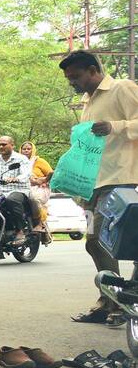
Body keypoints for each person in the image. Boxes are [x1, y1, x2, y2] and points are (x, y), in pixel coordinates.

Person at [59, 51, 138, 323]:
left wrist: (114, 127)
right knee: (93, 243)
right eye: (69, 79)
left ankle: (118, 304)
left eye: (76, 77)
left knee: (104, 241)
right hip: (93, 184)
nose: (73, 83)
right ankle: (111, 300)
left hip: (120, 181)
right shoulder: (86, 101)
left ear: (93, 70)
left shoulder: (122, 89)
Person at [19, 141, 52, 234]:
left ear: (33, 150)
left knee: (34, 199)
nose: (26, 151)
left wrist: (44, 180)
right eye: (24, 149)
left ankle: (40, 223)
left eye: (28, 149)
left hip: (39, 188)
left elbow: (51, 173)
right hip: (22, 187)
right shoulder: (18, 162)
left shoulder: (39, 161)